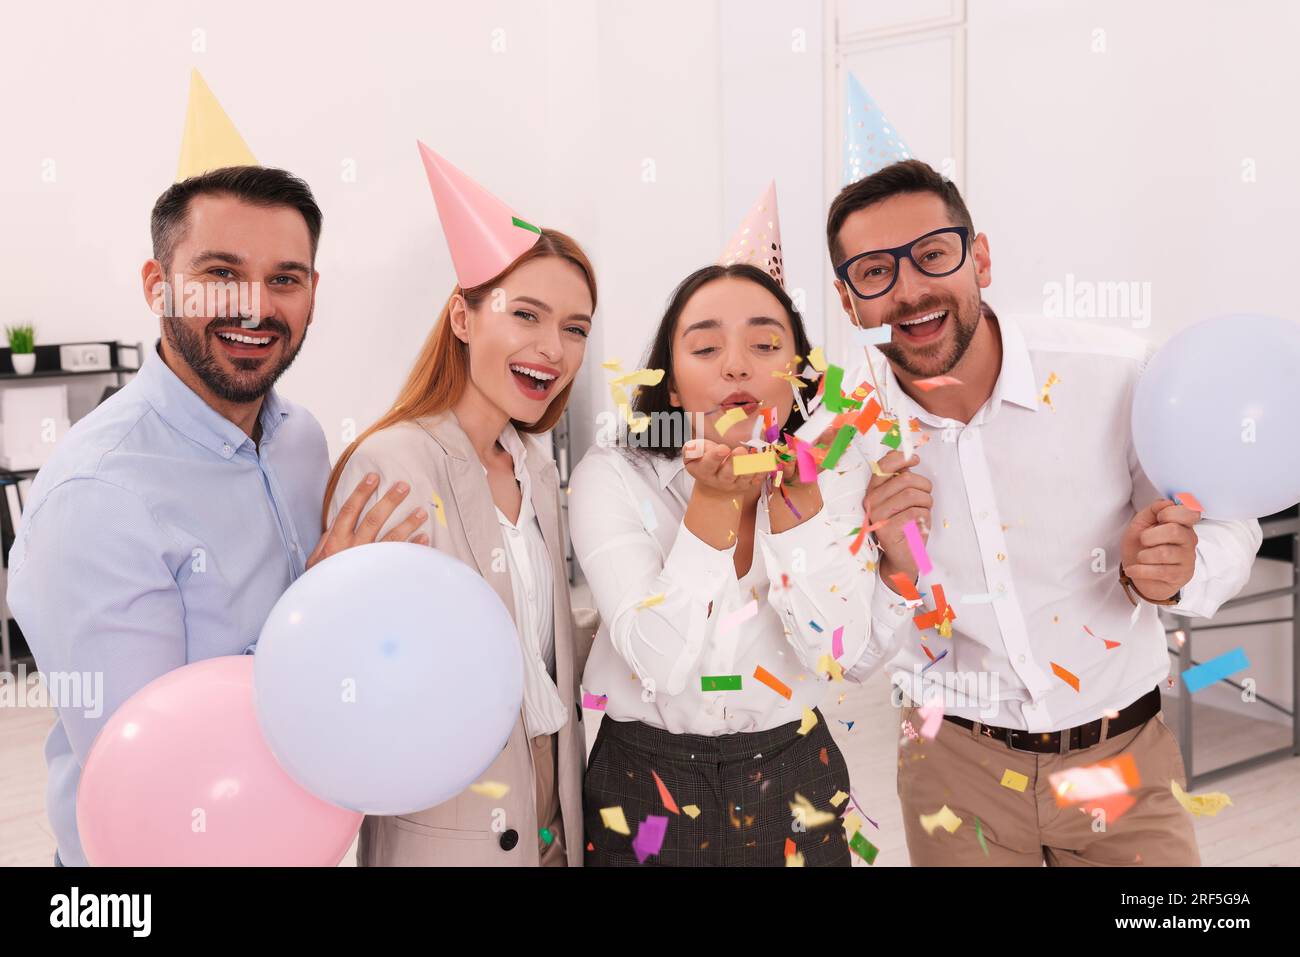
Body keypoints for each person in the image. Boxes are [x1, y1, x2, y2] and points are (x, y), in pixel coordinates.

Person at [827, 158, 1263, 865]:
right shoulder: (842, 442)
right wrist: (895, 570)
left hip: (1119, 762)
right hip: (950, 766)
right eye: (875, 272)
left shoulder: (1116, 373)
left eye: (933, 255)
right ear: (851, 302)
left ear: (981, 258)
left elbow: (1227, 523)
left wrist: (1181, 572)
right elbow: (847, 654)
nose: (909, 291)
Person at [9, 165, 422, 867]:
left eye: (285, 278)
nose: (255, 307)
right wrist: (317, 611)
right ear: (156, 284)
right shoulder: (97, 496)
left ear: (312, 293)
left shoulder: (299, 438)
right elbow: (155, 771)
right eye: (221, 274)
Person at [570, 259, 903, 867]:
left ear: (800, 376)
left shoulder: (832, 473)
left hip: (795, 773)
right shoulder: (613, 474)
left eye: (765, 343)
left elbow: (838, 657)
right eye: (705, 347)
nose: (736, 365)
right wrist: (715, 503)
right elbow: (657, 662)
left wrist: (798, 518)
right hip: (644, 787)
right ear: (671, 387)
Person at [322, 144, 596, 866]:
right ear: (464, 317)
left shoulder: (535, 466)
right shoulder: (392, 464)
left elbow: (540, 644)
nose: (554, 348)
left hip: (551, 805)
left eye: (575, 328)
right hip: (449, 826)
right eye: (527, 314)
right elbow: (369, 672)